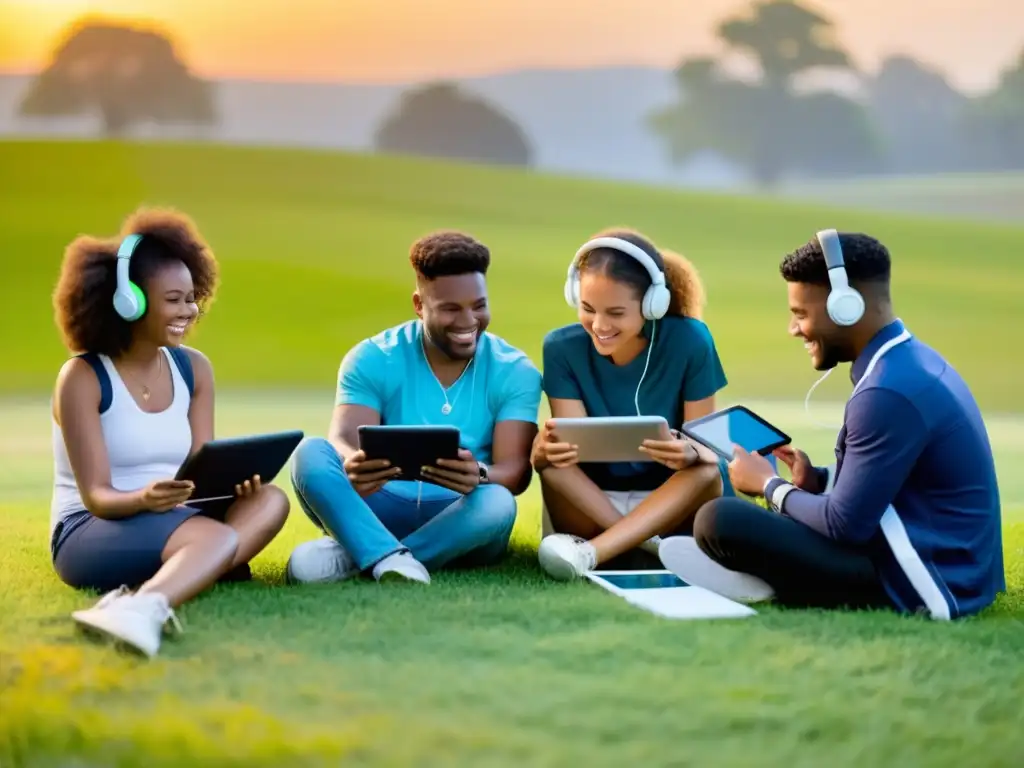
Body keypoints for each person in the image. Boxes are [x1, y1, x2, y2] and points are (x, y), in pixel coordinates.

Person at [658, 230, 1005, 620]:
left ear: (846, 306)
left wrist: (770, 485)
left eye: (801, 314)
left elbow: (845, 526)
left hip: (924, 580)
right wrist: (818, 480)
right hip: (953, 568)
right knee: (747, 520)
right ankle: (755, 571)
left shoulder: (888, 392)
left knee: (719, 519)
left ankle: (760, 578)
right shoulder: (909, 362)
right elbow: (885, 487)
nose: (794, 329)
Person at [50, 208, 291, 657]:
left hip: (176, 515)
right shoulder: (82, 378)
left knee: (271, 501)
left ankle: (188, 566)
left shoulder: (194, 369)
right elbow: (96, 496)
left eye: (192, 297)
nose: (189, 311)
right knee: (217, 537)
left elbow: (204, 468)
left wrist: (230, 488)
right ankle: (142, 608)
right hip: (93, 527)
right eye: (174, 299)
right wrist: (144, 499)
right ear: (130, 303)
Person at [286, 230, 542, 585]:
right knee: (309, 453)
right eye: (451, 308)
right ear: (419, 305)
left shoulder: (516, 370)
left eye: (479, 305)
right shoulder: (373, 357)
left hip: (463, 518)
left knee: (498, 502)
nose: (468, 321)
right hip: (379, 503)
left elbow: (515, 471)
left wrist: (480, 474)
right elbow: (343, 439)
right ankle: (387, 555)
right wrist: (352, 463)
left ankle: (362, 555)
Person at [532, 228, 732, 581]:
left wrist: (687, 452)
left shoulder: (691, 340)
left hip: (673, 500)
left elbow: (707, 448)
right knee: (550, 461)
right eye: (588, 308)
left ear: (652, 304)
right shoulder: (560, 348)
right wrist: (552, 451)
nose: (599, 325)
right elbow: (575, 446)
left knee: (703, 469)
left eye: (616, 313)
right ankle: (644, 544)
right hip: (596, 500)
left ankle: (593, 553)